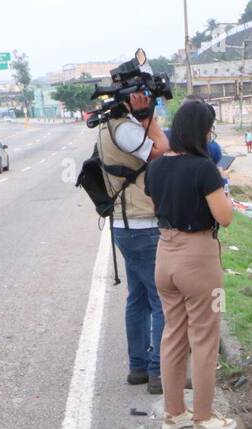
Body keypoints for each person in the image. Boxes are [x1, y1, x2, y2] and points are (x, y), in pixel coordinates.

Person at [145, 100, 237, 429]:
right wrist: (223, 187)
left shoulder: (155, 168)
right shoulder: (204, 169)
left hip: (164, 256)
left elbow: (160, 206)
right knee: (204, 338)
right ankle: (203, 417)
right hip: (198, 259)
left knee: (173, 335)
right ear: (202, 131)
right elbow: (224, 218)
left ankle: (174, 414)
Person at [97, 91, 170, 392]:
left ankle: (138, 367)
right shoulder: (126, 129)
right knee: (162, 300)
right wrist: (146, 116)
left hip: (127, 224)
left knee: (138, 298)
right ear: (129, 102)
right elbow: (162, 149)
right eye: (140, 96)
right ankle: (158, 372)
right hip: (141, 225)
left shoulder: (110, 127)